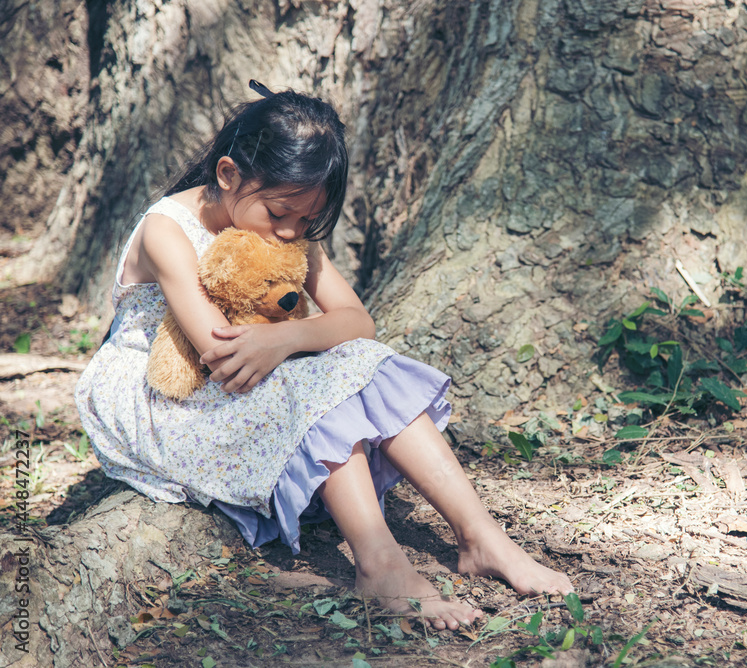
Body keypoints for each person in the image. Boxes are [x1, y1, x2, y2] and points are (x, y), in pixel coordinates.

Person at [75, 81, 572, 630]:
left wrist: (288, 337)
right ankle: (380, 565)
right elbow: (221, 351)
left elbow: (357, 322)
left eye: (307, 221)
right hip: (165, 394)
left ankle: (482, 538)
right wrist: (292, 343)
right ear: (227, 175)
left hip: (251, 365)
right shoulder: (166, 231)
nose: (291, 231)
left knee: (364, 361)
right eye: (280, 213)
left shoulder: (290, 224)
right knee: (319, 384)